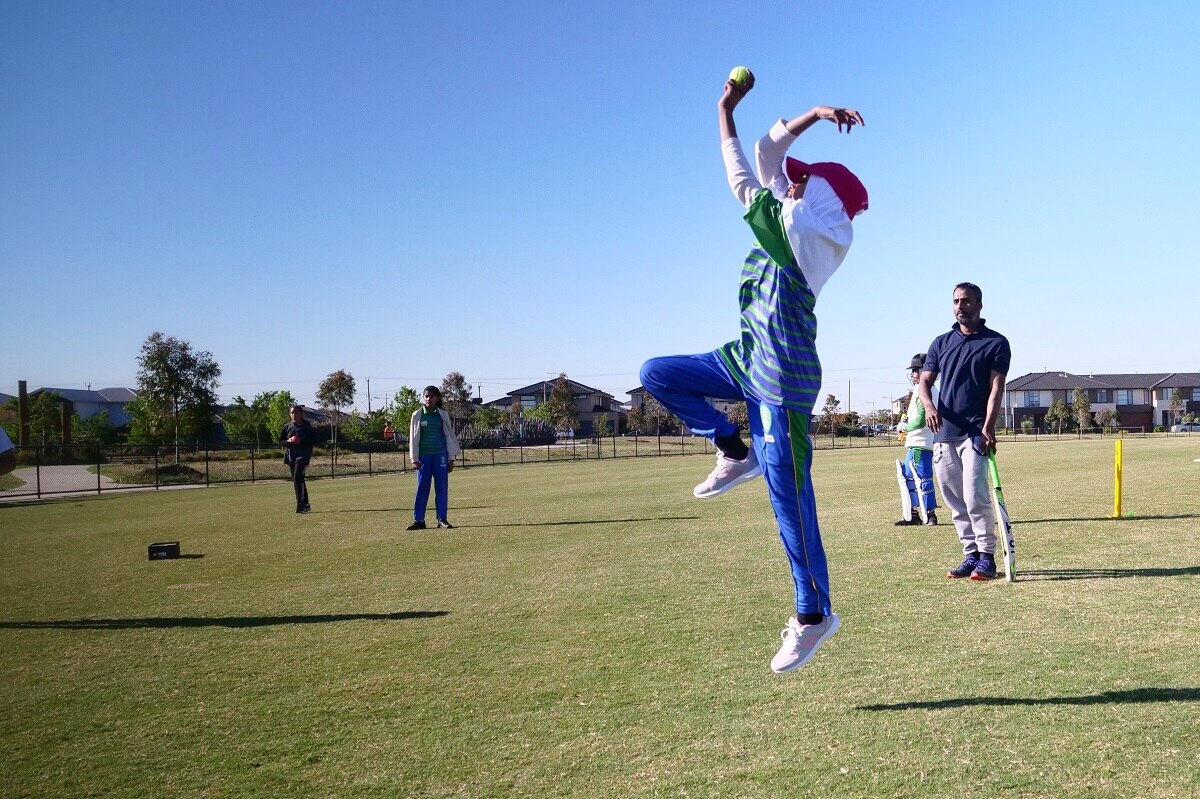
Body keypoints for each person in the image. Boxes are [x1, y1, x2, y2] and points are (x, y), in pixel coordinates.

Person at [639, 69, 867, 673]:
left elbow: (757, 166)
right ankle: (732, 449)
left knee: (789, 501)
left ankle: (813, 615)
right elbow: (763, 162)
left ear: (822, 196)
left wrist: (765, 127)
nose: (790, 182)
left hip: (782, 379)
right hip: (746, 358)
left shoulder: (811, 233)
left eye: (802, 181)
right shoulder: (792, 218)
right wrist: (737, 112)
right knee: (658, 374)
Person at [917, 282, 1011, 580]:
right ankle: (970, 555)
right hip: (944, 434)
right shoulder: (941, 343)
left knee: (974, 496)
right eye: (956, 301)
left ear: (979, 305)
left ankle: (987, 557)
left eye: (966, 301)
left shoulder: (996, 343)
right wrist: (929, 407)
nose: (960, 306)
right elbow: (924, 381)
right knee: (954, 500)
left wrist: (988, 426)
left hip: (975, 434)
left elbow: (996, 389)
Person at [408, 385, 462, 531]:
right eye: (426, 396)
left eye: (431, 396)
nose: (428, 399)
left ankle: (441, 519)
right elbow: (413, 438)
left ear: (437, 398)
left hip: (440, 456)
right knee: (422, 487)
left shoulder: (442, 415)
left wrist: (451, 458)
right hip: (423, 457)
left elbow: (449, 437)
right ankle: (419, 520)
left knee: (441, 487)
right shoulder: (417, 415)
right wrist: (414, 458)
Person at [895, 353, 939, 526]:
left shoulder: (923, 389)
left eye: (916, 369)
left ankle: (927, 514)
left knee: (919, 477)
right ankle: (917, 513)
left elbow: (921, 420)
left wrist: (903, 427)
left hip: (920, 442)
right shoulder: (932, 389)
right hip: (924, 442)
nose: (913, 373)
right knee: (911, 476)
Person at [281, 405, 322, 513]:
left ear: (301, 414)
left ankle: (300, 504)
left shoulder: (307, 426)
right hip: (291, 456)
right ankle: (306, 504)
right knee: (298, 480)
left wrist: (301, 441)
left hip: (303, 456)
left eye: (296, 413)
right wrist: (288, 441)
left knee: (297, 478)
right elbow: (282, 441)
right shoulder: (287, 427)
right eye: (292, 413)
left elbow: (314, 441)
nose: (294, 415)